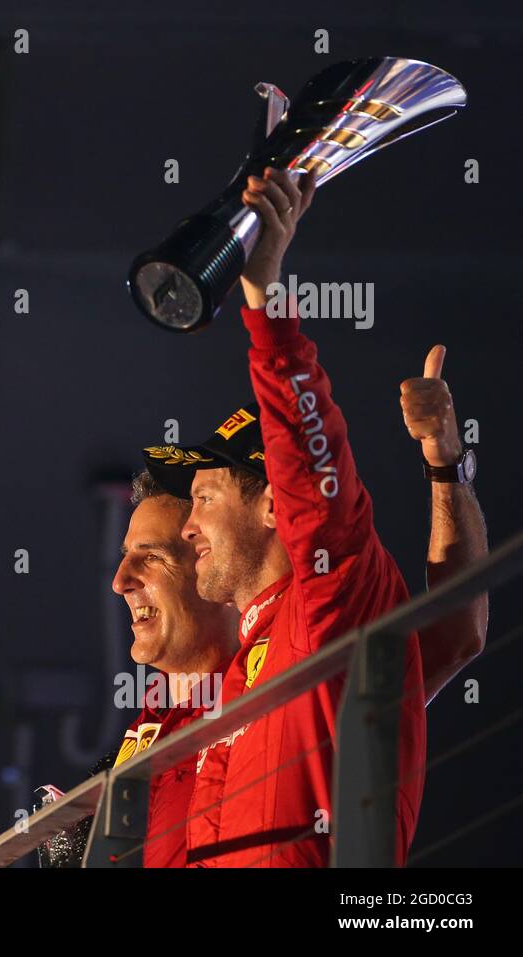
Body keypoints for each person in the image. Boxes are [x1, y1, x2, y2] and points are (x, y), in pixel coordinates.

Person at [140, 166, 484, 866]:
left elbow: (308, 465)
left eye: (204, 498)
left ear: (274, 505)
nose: (188, 526)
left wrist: (264, 294)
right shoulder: (235, 671)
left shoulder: (330, 600)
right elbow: (455, 635)